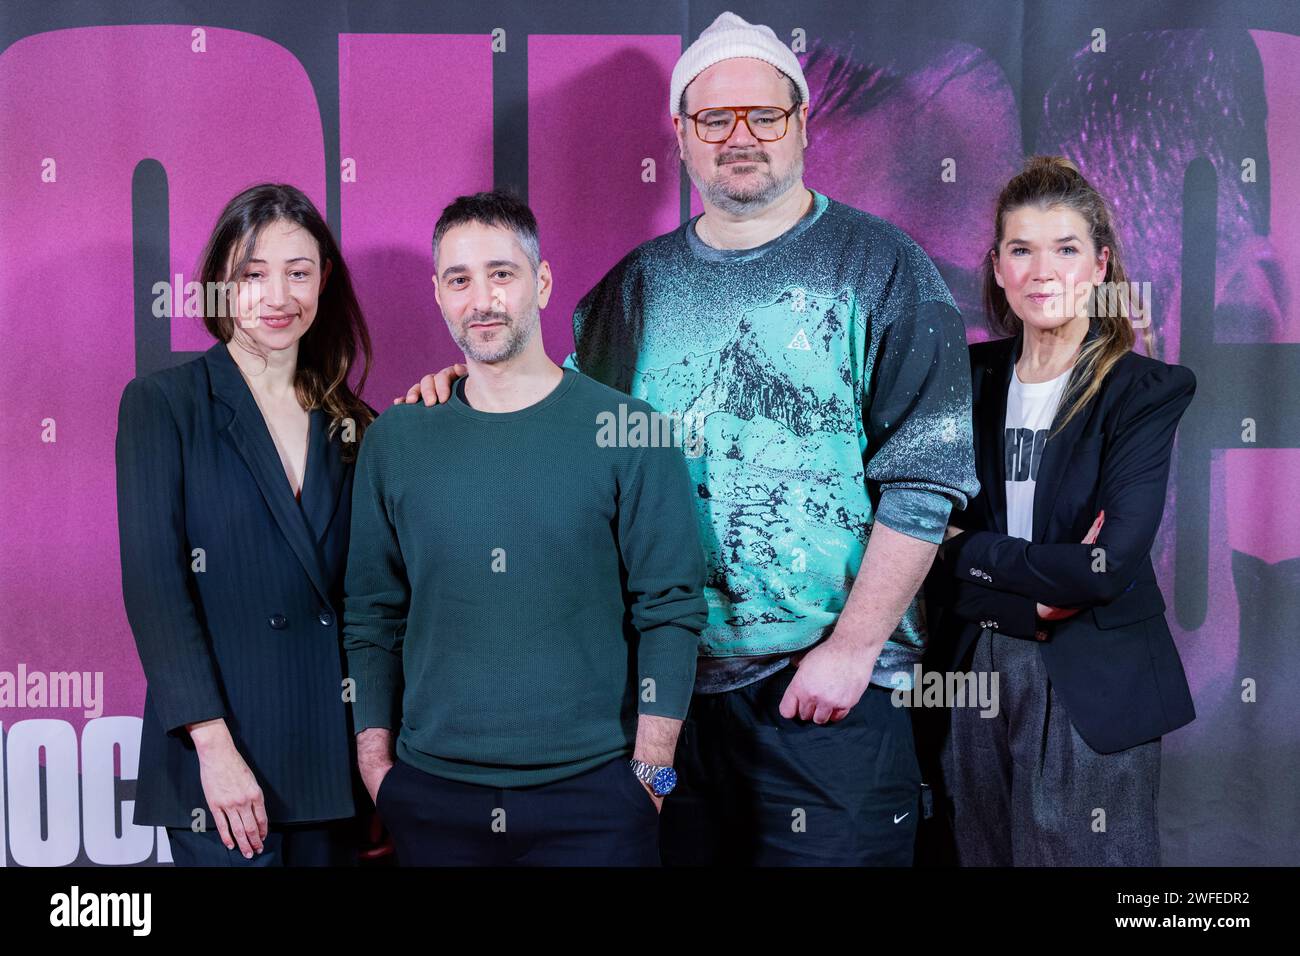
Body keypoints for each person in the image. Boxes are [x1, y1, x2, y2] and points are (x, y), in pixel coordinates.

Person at [399, 13, 979, 866]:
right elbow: (557, 432)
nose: (740, 137)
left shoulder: (884, 267)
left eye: (764, 116)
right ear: (680, 135)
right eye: (714, 119)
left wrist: (851, 652)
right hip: (662, 715)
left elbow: (925, 481)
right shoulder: (628, 294)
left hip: (826, 708)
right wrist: (464, 387)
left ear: (802, 125)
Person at [343, 191, 707, 866]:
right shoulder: (395, 439)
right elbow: (371, 613)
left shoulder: (632, 431)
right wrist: (378, 771)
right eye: (460, 280)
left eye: (501, 274)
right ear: (439, 295)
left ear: (541, 282)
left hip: (596, 800)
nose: (481, 299)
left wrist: (651, 780)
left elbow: (671, 610)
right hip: (433, 800)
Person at [932, 155, 1197, 866]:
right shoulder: (963, 379)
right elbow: (907, 534)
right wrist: (1032, 601)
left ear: (1101, 264)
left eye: (1066, 248)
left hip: (1093, 680)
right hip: (975, 668)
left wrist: (961, 548)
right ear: (996, 266)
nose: (1041, 272)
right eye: (1020, 249)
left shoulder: (1144, 390)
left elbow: (1101, 571)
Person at [116, 183, 375, 866]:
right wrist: (213, 746)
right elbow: (155, 589)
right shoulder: (163, 405)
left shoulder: (353, 421)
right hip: (220, 771)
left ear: (323, 281)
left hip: (332, 766)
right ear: (219, 284)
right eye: (253, 274)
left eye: (298, 272)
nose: (278, 296)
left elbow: (374, 599)